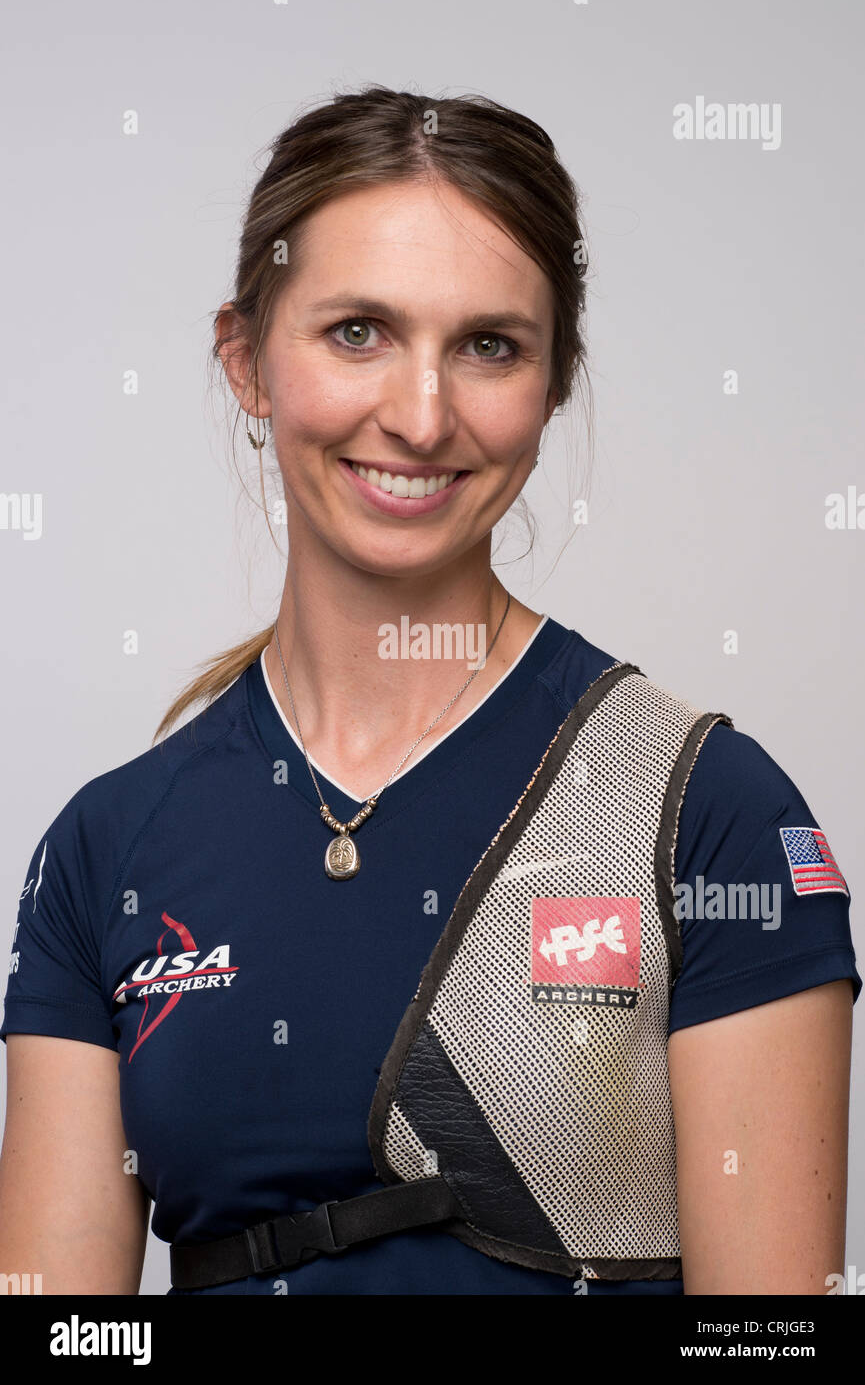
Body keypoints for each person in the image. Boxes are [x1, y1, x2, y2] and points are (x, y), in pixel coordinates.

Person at [0, 85, 859, 1297]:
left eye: (488, 346)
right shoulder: (106, 847)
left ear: (553, 384)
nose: (418, 414)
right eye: (358, 331)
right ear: (247, 360)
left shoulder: (707, 812)